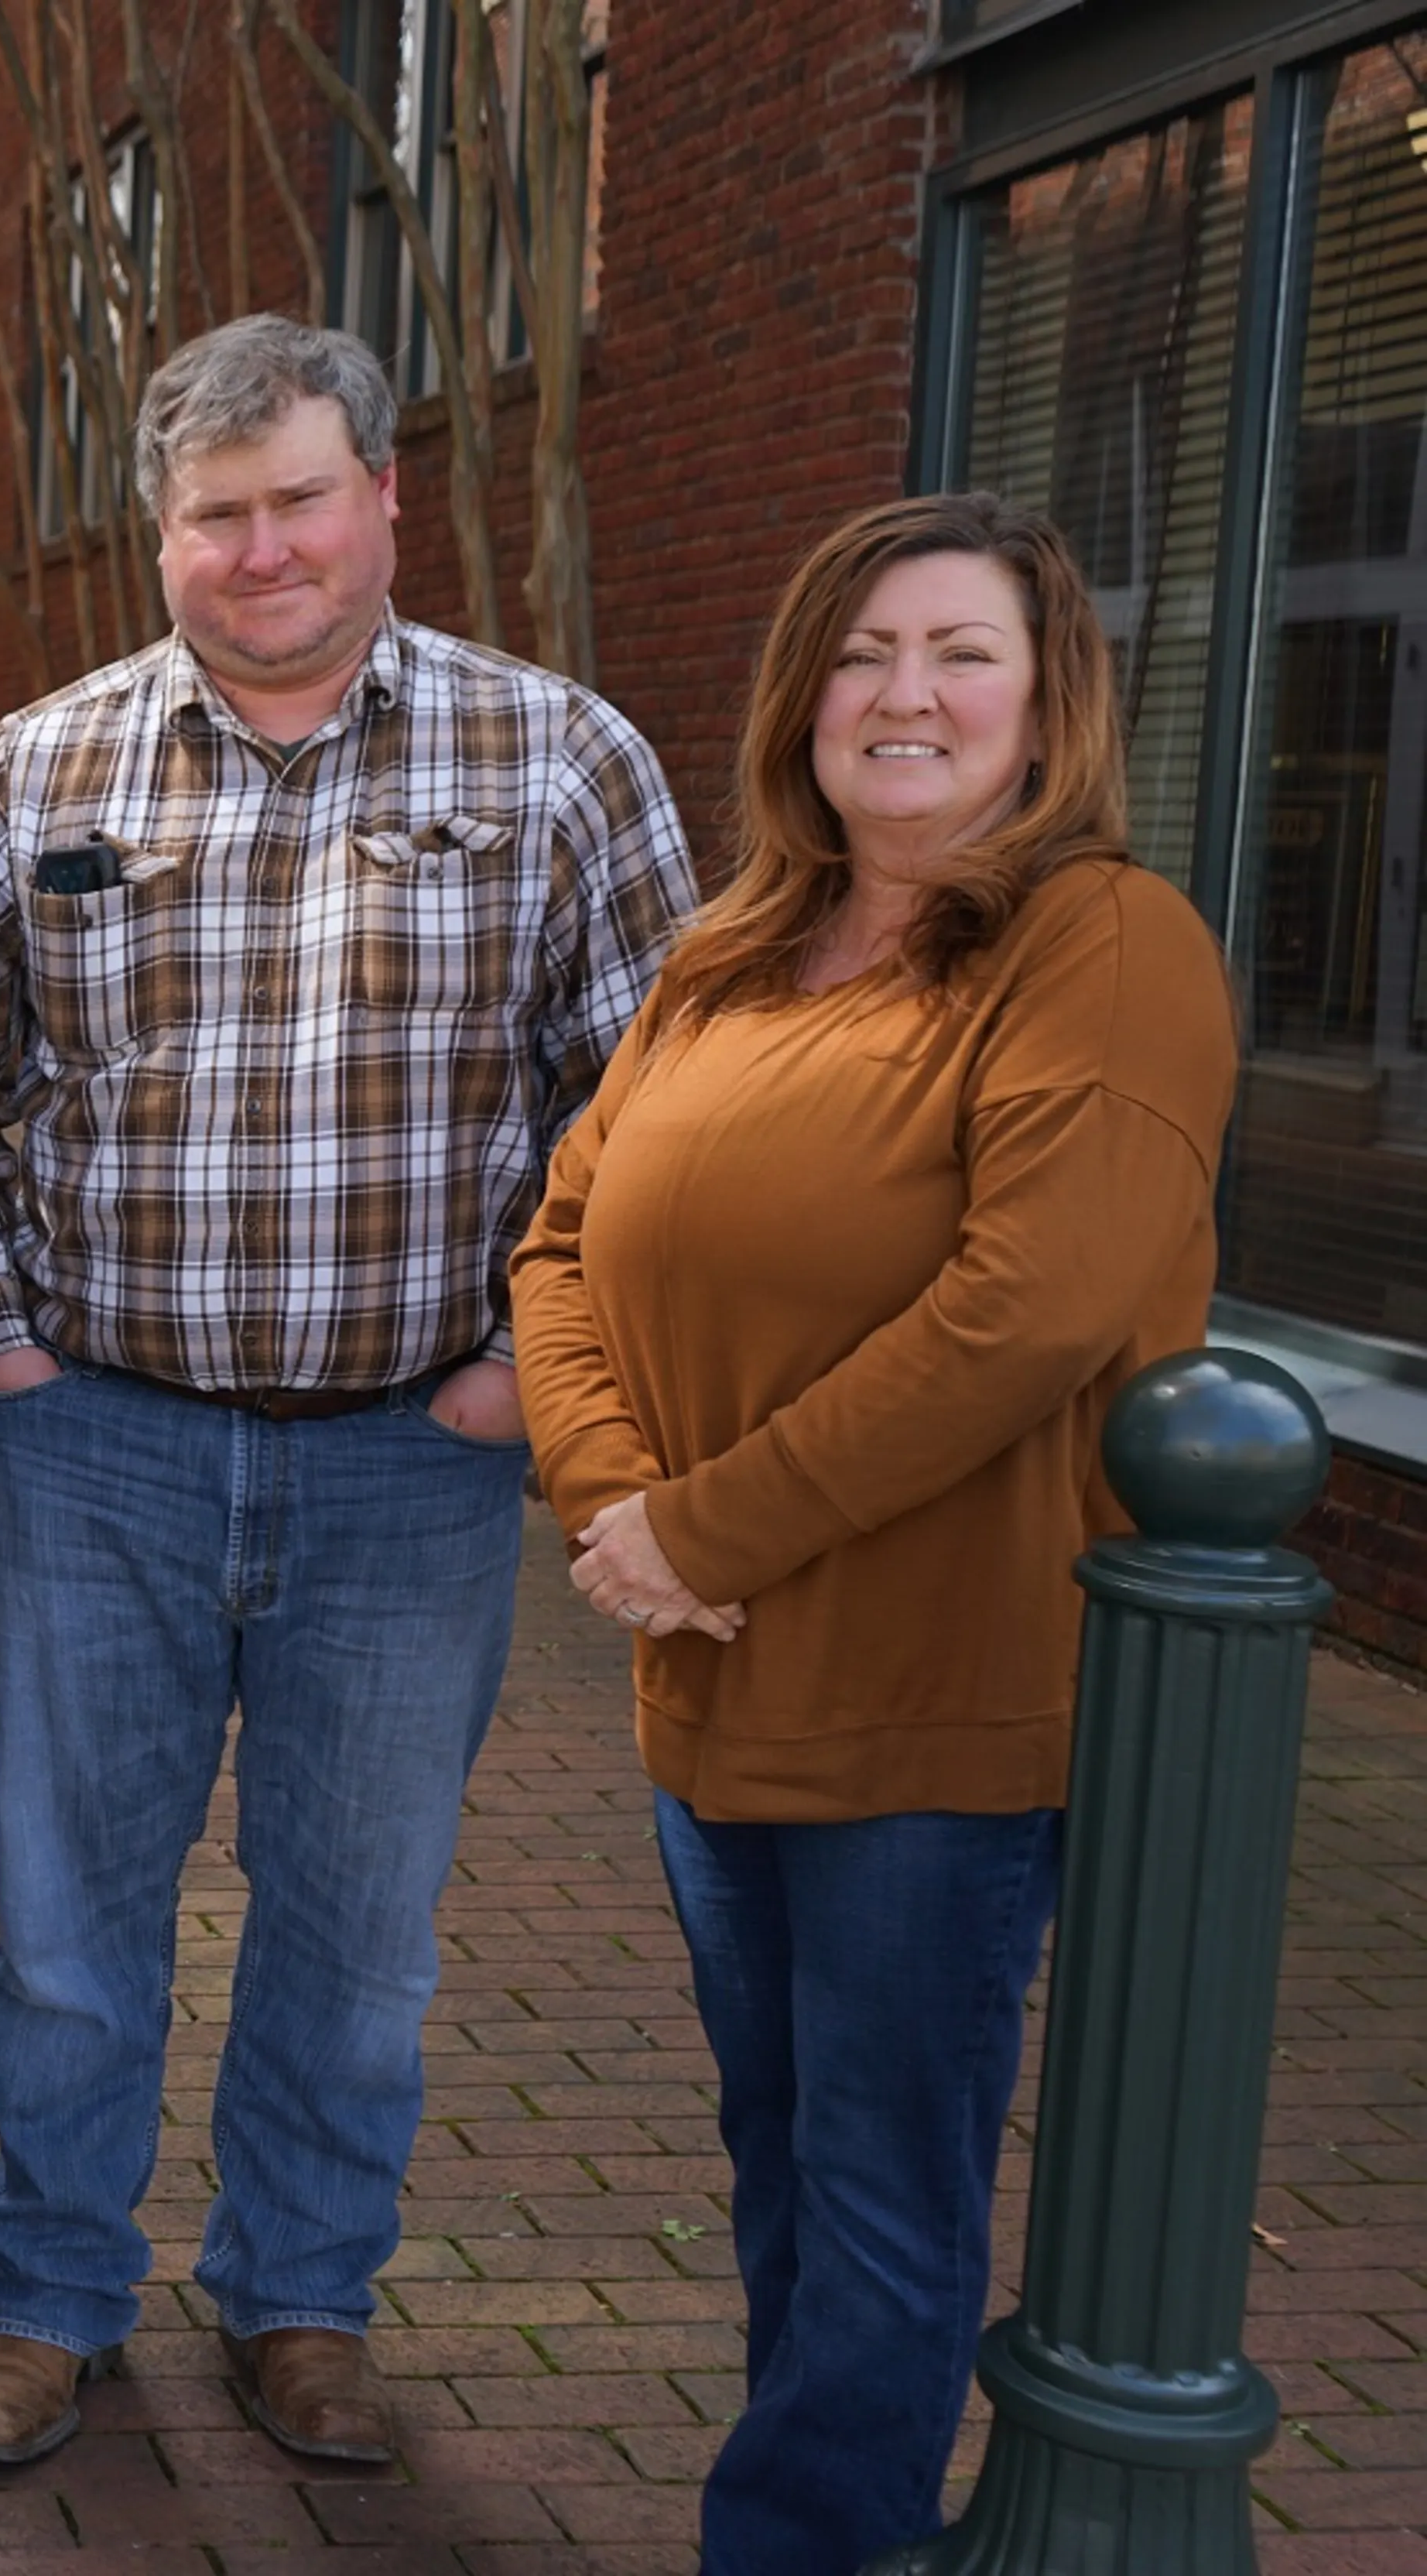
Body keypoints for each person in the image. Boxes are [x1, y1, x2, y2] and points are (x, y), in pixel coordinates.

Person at [0, 314, 700, 2470]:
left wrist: (530, 1373)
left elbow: (665, 1118)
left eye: (298, 499)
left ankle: (301, 2300)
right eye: (215, 516)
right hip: (100, 1445)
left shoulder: (560, 764)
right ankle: (46, 2300)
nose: (260, 550)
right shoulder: (34, 776)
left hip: (412, 1468)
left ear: (383, 499)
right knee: (66, 1924)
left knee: (356, 1935)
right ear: (161, 535)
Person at [506, 493, 1236, 2576]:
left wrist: (715, 1520)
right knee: (786, 2164)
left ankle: (805, 2549)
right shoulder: (732, 955)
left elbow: (1039, 1305)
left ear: (1048, 699)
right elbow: (563, 1240)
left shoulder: (1101, 943)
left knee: (881, 2192)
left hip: (933, 1712)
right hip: (710, 1691)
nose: (903, 694)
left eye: (961, 653)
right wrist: (615, 1506)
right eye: (861, 654)